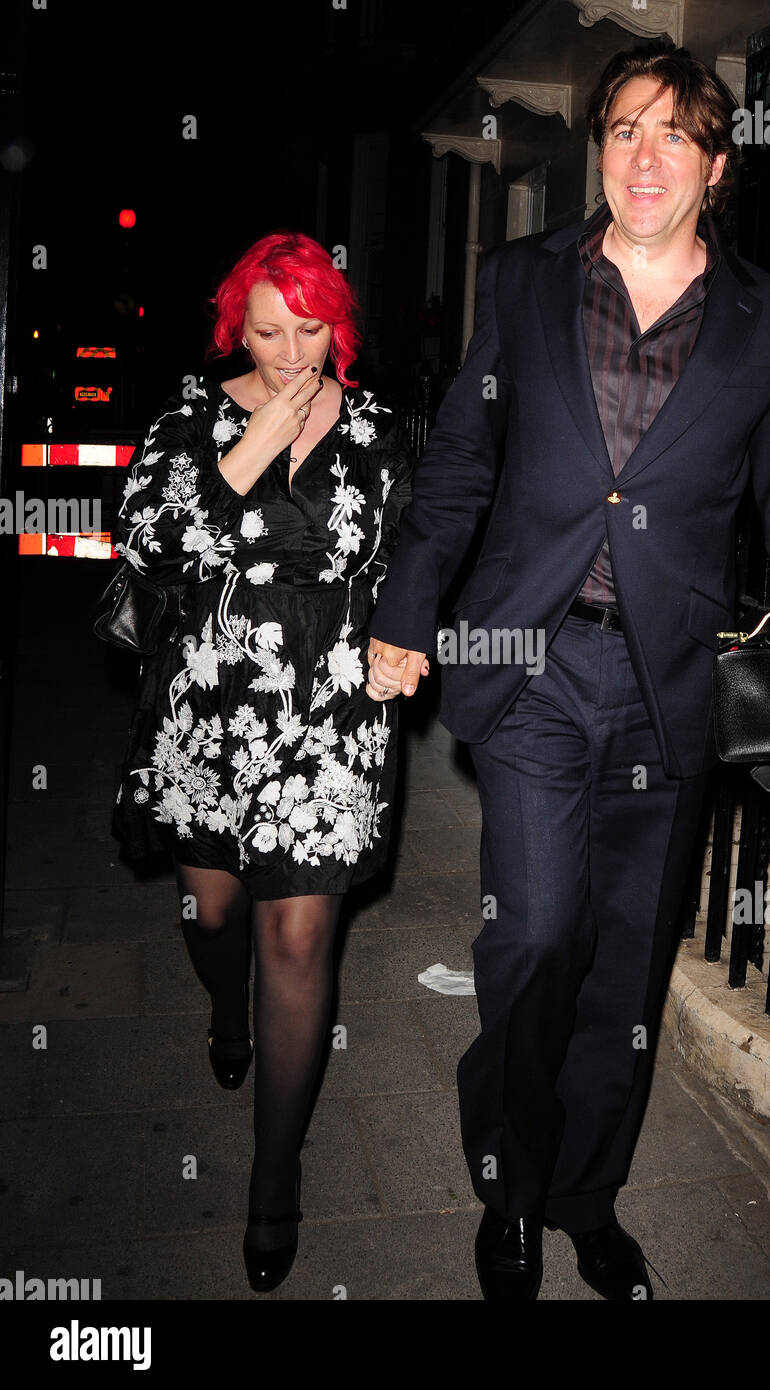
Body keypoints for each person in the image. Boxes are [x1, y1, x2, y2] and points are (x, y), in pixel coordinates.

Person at [368, 39, 770, 1301]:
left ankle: (583, 1198)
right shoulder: (524, 280)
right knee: (535, 938)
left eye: (672, 134)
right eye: (623, 128)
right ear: (600, 148)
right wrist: (406, 609)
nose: (644, 156)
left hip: (667, 683)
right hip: (532, 664)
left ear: (715, 164)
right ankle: (510, 1184)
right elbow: (459, 461)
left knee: (626, 963)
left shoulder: (768, 323)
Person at [112, 230, 416, 1293]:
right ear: (236, 332)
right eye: (270, 332)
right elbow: (147, 543)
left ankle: (273, 1177)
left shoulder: (376, 428)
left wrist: (407, 637)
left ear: (339, 327)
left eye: (311, 330)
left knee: (297, 932)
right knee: (215, 915)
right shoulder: (190, 418)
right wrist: (247, 451)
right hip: (208, 701)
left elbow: (413, 554)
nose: (292, 354)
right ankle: (223, 1008)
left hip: (330, 708)